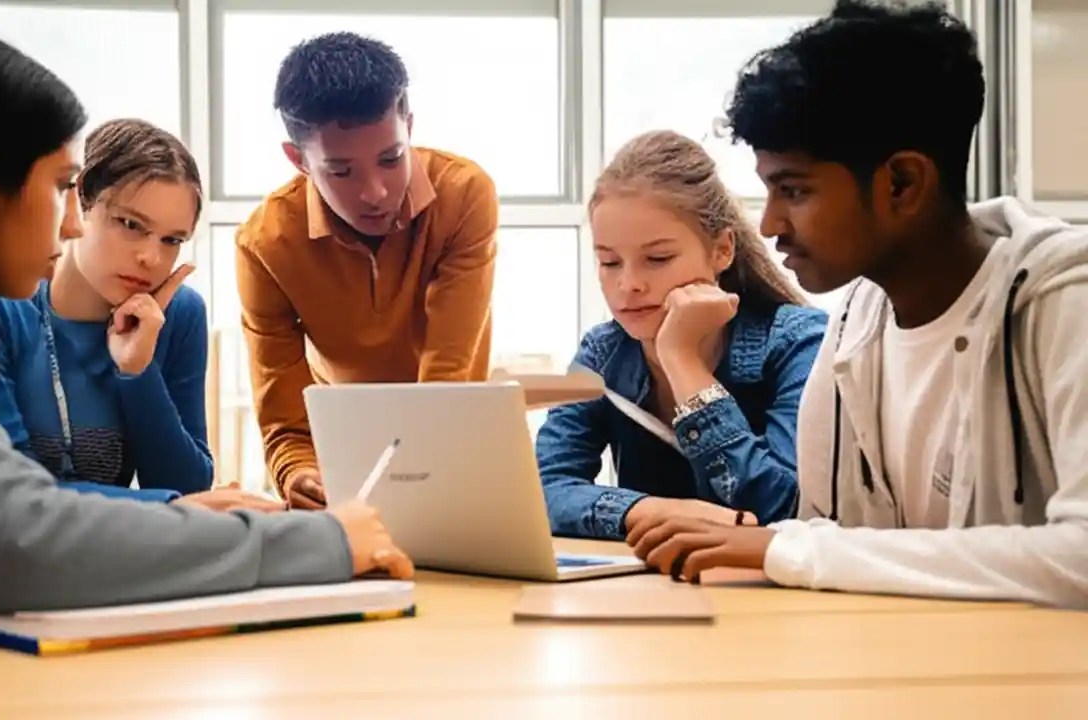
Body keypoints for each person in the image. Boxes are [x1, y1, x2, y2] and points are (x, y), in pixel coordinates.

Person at [0, 24, 412, 703]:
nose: (70, 223)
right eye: (64, 186)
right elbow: (21, 538)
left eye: (171, 237)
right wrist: (321, 543)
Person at [634, 0, 1088, 609]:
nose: (768, 225)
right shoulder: (855, 324)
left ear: (903, 183)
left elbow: (1081, 557)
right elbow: (831, 533)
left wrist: (786, 548)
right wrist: (768, 539)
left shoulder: (1064, 302)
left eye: (794, 190)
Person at [237, 32, 499, 510]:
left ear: (409, 126)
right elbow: (284, 419)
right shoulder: (264, 244)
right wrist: (298, 474)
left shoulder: (464, 195)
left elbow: (446, 374)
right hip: (346, 464)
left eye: (391, 158)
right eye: (341, 171)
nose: (375, 191)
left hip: (454, 442)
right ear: (298, 160)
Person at [536, 130, 825, 544]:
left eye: (658, 259)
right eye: (609, 261)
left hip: (769, 596)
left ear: (722, 250)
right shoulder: (603, 354)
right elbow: (545, 489)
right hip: (648, 590)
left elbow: (780, 510)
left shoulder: (798, 343)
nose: (629, 284)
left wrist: (682, 359)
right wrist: (651, 511)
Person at [0, 118, 267, 510]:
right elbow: (8, 491)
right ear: (79, 199)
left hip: (124, 556)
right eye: (131, 225)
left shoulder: (178, 315)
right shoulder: (0, 305)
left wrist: (137, 371)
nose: (151, 257)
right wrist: (166, 508)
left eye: (172, 240)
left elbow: (187, 487)